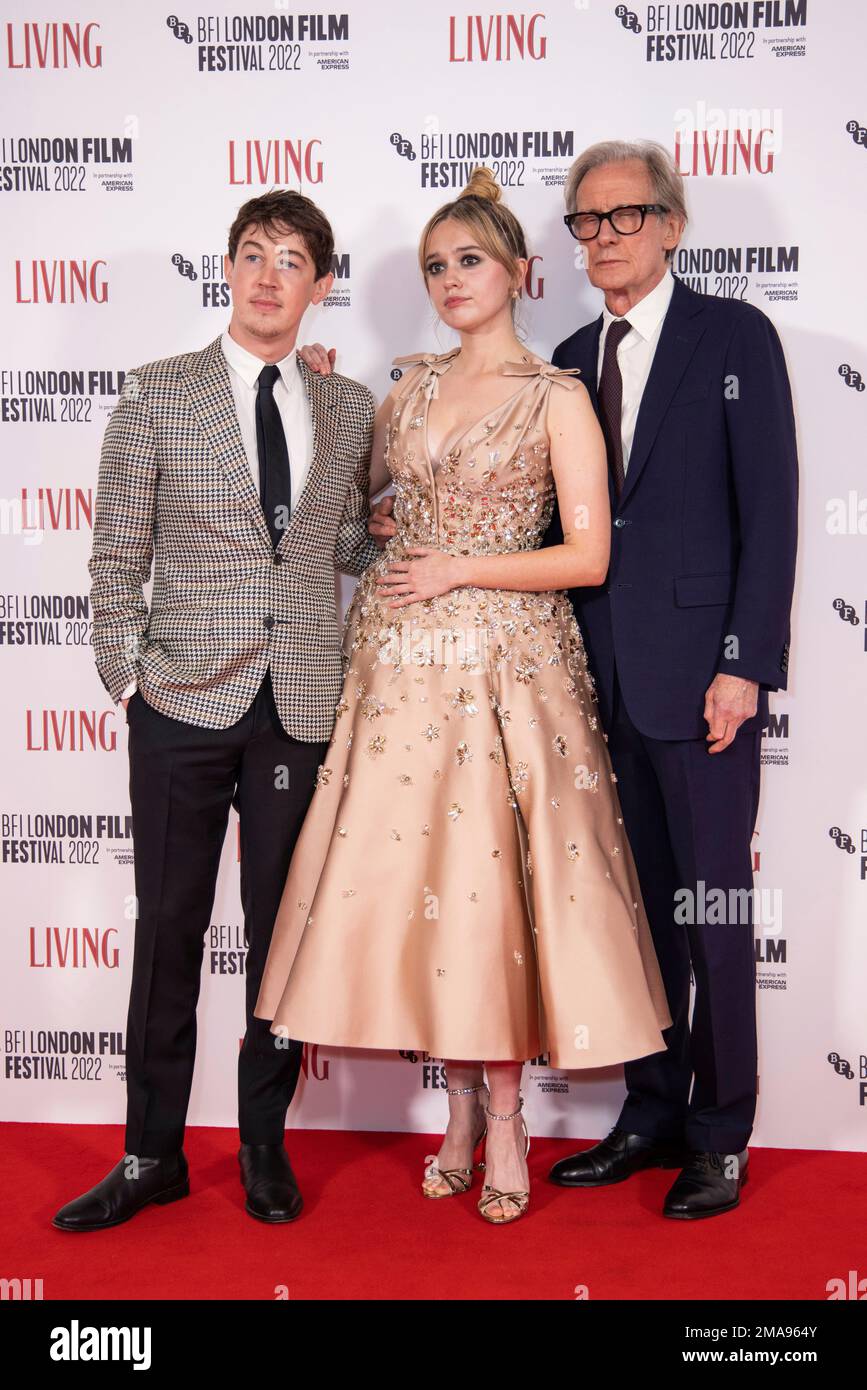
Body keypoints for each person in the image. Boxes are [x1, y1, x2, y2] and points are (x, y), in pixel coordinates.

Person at [254, 168, 672, 1226]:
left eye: (469, 260)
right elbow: (359, 505)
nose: (449, 280)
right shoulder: (409, 386)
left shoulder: (556, 396)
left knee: (488, 902)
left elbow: (586, 555)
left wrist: (459, 568)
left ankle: (506, 1115)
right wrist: (311, 396)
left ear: (522, 273)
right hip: (397, 673)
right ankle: (453, 1115)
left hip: (505, 676)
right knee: (420, 894)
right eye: (435, 266)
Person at [53, 190, 382, 1232]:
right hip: (181, 704)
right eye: (253, 254)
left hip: (299, 704)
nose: (270, 275)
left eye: (293, 260)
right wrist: (127, 676)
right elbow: (116, 554)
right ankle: (150, 1152)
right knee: (171, 931)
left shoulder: (349, 406)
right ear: (228, 270)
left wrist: (420, 541)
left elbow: (338, 551)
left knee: (283, 936)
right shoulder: (157, 394)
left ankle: (263, 1146)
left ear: (322, 286)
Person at [539, 141, 798, 1218]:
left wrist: (745, 665)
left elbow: (772, 513)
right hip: (597, 684)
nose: (604, 237)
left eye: (625, 216)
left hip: (702, 689)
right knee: (635, 916)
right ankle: (649, 1111)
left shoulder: (734, 335)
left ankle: (722, 1127)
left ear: (673, 226)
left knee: (713, 911)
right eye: (587, 222)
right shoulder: (561, 355)